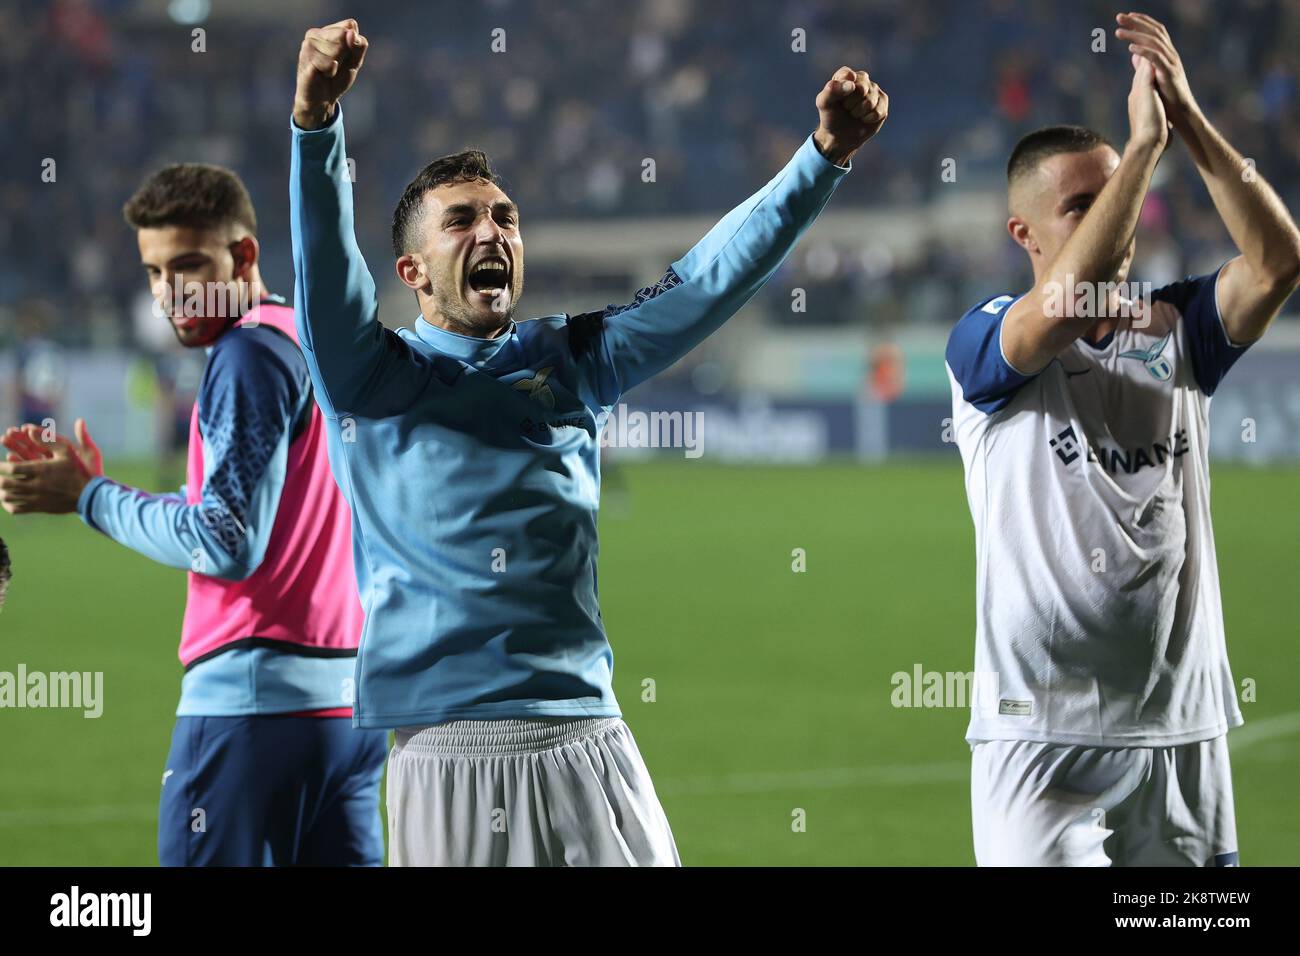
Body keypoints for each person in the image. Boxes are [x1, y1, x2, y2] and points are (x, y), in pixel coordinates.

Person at [290, 18, 887, 865]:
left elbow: (709, 280)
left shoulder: (568, 357)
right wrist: (316, 124)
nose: (493, 232)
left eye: (505, 217)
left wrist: (821, 157)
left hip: (588, 735)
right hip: (445, 754)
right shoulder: (369, 377)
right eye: (461, 222)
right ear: (413, 271)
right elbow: (324, 271)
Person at [945, 13, 1300, 866]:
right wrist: (1140, 152)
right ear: (1022, 234)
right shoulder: (987, 338)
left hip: (1182, 734)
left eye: (1122, 196)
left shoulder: (1176, 327)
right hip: (1041, 745)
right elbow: (1061, 308)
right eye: (1083, 205)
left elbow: (1281, 262)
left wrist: (1188, 121)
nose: (1119, 215)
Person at [0, 164, 385, 866]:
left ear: (243, 256)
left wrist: (88, 498)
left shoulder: (244, 355)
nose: (166, 292)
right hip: (348, 716)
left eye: (186, 265)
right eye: (152, 272)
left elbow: (226, 541)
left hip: (253, 713)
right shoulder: (307, 338)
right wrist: (99, 487)